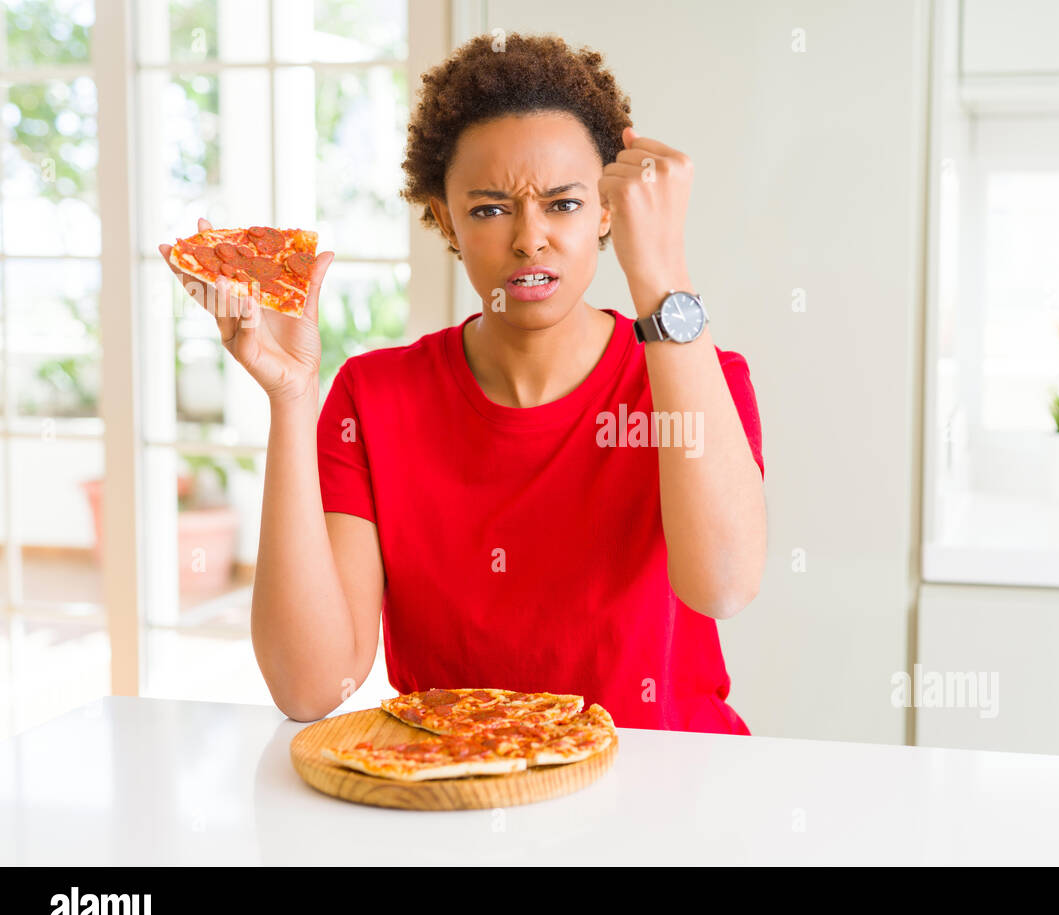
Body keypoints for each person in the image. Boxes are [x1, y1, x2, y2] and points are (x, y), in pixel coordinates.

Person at [159, 32, 766, 734]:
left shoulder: (698, 377)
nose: (529, 238)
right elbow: (309, 686)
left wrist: (663, 278)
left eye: (565, 204)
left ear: (607, 209)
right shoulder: (373, 398)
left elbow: (722, 587)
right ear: (444, 219)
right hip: (458, 798)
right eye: (488, 208)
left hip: (663, 804)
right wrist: (292, 401)